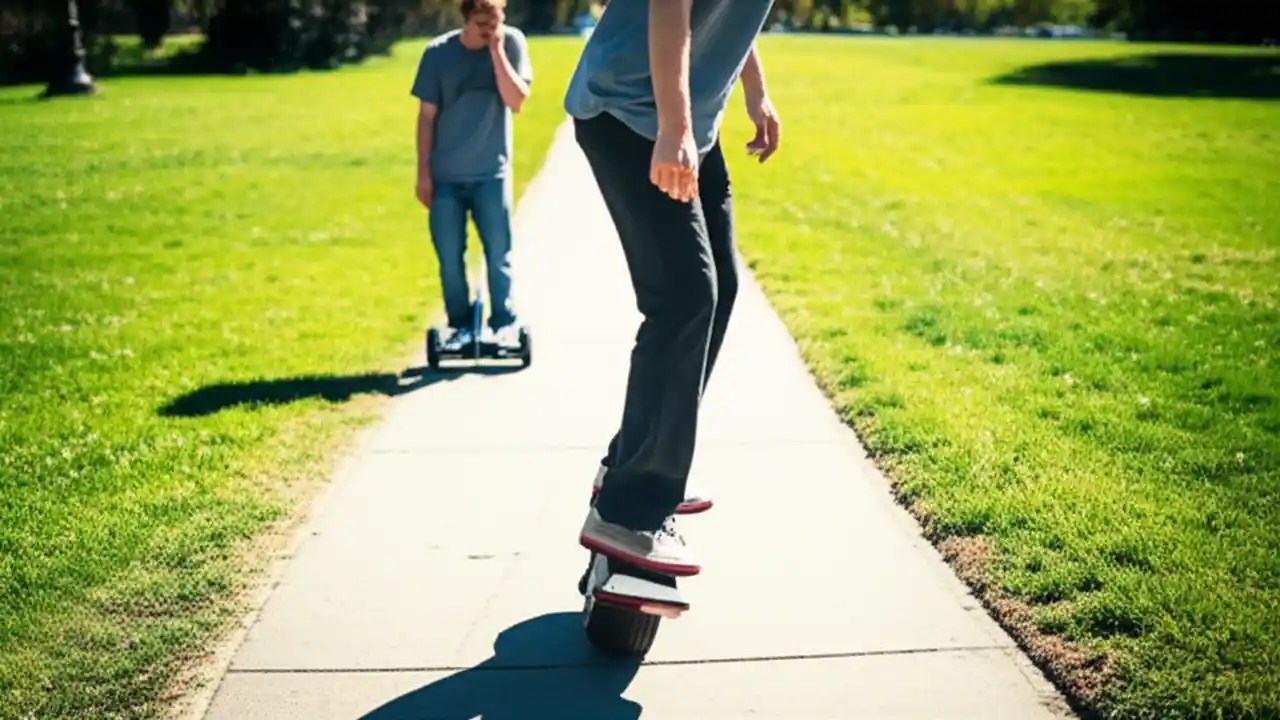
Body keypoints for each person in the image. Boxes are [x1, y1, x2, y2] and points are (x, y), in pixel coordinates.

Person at [566, 0, 782, 575]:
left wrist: (754, 90)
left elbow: (728, 15)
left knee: (722, 289)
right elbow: (670, 10)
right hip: (632, 113)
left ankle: (636, 462)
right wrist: (675, 129)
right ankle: (629, 508)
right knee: (684, 298)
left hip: (681, 119)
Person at [412, 0, 533, 351]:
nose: (490, 29)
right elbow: (426, 119)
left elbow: (517, 100)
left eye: (496, 20)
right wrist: (423, 174)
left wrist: (496, 52)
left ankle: (503, 323)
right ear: (466, 19)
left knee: (499, 254)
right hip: (446, 176)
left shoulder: (511, 43)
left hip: (491, 174)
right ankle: (461, 324)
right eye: (482, 23)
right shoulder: (437, 55)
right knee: (450, 257)